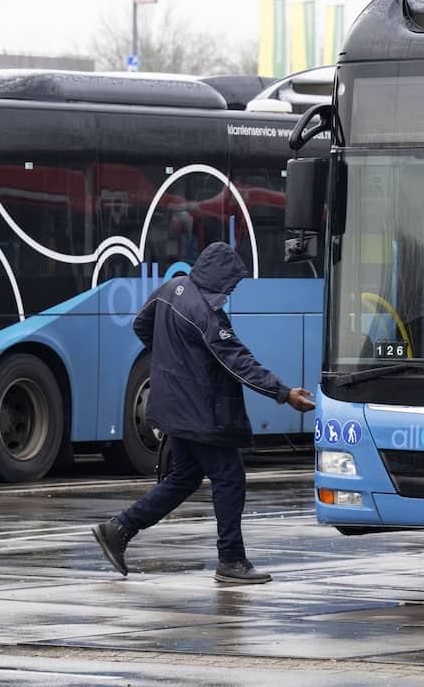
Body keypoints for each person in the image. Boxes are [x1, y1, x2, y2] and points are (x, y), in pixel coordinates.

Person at [92, 242, 314, 584]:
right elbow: (239, 362)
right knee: (230, 476)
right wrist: (284, 394)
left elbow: (141, 324)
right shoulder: (205, 315)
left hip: (173, 405)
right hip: (199, 412)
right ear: (218, 277)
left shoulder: (170, 289)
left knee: (183, 478)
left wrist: (169, 360)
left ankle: (118, 529)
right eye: (231, 284)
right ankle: (231, 560)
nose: (231, 291)